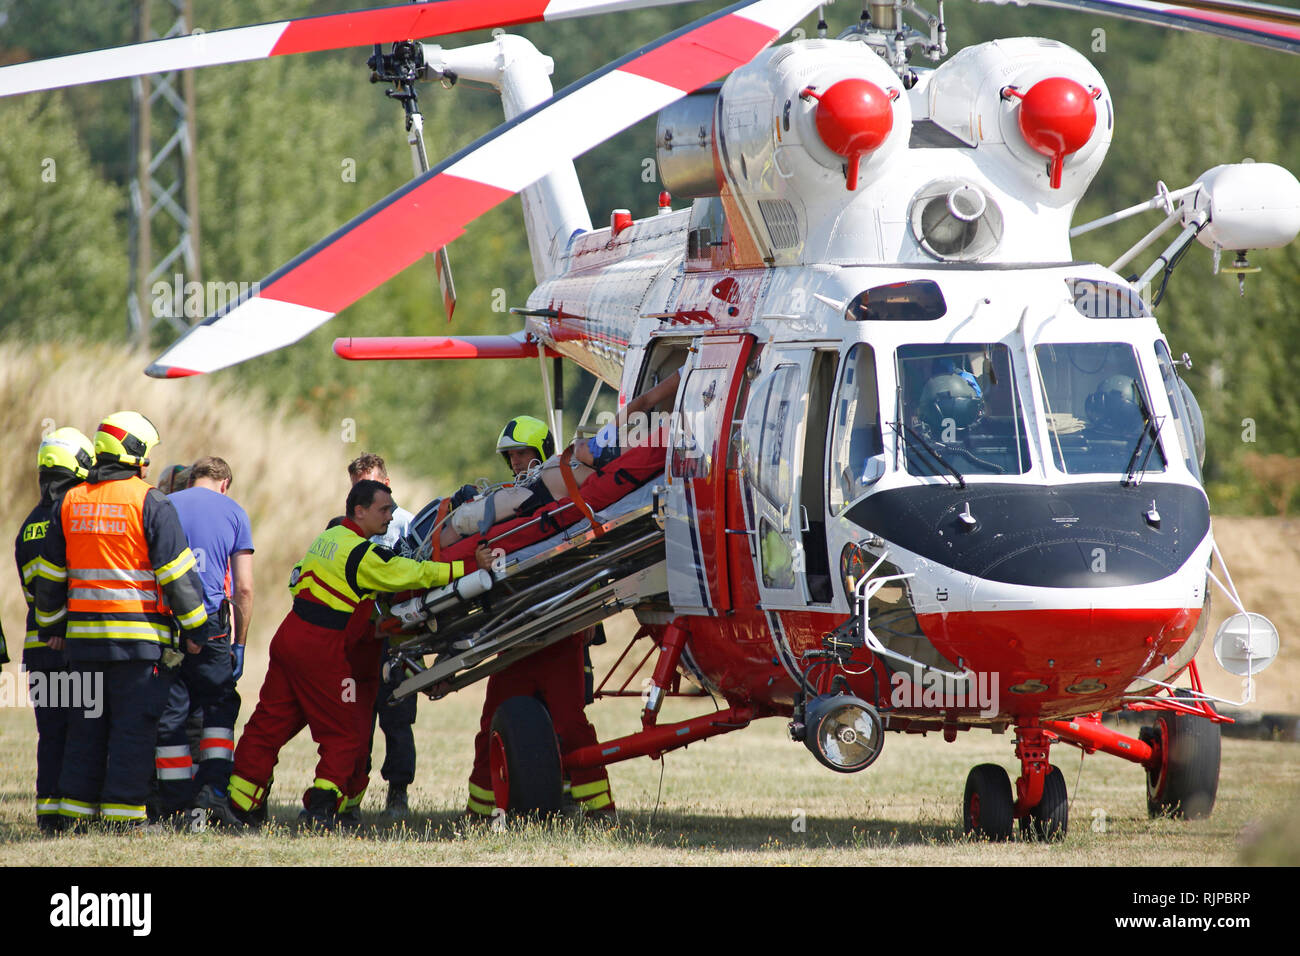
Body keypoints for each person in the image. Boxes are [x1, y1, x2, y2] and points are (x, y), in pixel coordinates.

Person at [226, 480, 492, 830]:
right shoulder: (363, 554)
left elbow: (296, 580)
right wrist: (468, 568)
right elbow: (413, 572)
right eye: (384, 509)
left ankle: (239, 805)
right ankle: (320, 810)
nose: (391, 515)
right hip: (323, 649)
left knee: (269, 723)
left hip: (289, 637)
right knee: (345, 734)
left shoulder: (326, 539)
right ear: (360, 511)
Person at [34, 411, 210, 831]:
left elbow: (51, 577)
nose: (148, 463)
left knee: (85, 731)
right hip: (137, 645)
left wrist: (52, 626)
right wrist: (196, 629)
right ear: (135, 455)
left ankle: (76, 818)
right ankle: (123, 818)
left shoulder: (69, 501)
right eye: (146, 454)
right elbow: (177, 576)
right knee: (132, 730)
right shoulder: (150, 501)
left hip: (83, 645)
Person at [466, 416, 615, 820]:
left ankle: (597, 807)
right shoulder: (502, 502)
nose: (516, 461)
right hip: (513, 637)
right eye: (510, 455)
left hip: (558, 636)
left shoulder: (568, 497)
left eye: (523, 453)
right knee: (491, 724)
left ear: (542, 451)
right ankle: (480, 810)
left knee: (569, 723)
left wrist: (584, 615)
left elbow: (584, 562)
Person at [153, 456, 254, 826]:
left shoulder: (163, 505)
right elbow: (243, 587)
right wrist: (239, 643)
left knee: (172, 711)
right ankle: (212, 789)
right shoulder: (235, 512)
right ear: (224, 483)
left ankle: (174, 801)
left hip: (168, 624)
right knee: (218, 705)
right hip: (212, 627)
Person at [15, 427, 94, 835]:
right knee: (81, 728)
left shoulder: (28, 524)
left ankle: (48, 815)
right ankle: (74, 815)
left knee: (51, 734)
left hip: (37, 646)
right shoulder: (73, 515)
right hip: (69, 643)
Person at [348, 453, 418, 817]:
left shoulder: (410, 525)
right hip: (361, 641)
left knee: (397, 716)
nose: (365, 492)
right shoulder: (345, 529)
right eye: (358, 486)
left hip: (398, 640)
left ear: (387, 484)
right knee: (357, 719)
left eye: (372, 484)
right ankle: (352, 794)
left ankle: (398, 792)